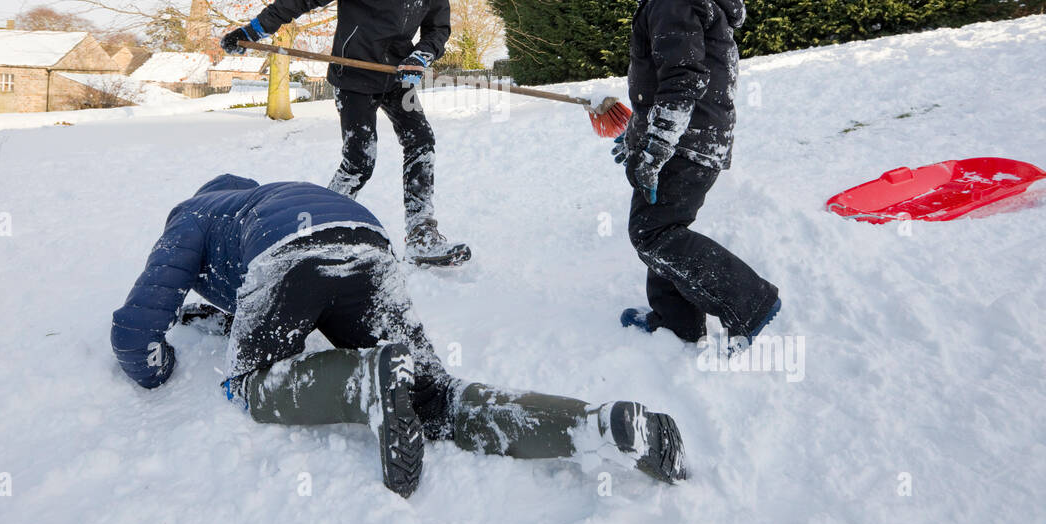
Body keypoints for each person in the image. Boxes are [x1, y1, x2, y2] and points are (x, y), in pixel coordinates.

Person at [110, 174, 686, 497]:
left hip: (288, 256)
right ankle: (600, 425)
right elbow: (283, 302)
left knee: (251, 386)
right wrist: (225, 318)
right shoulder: (262, 200)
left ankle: (368, 382)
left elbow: (135, 329)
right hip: (369, 243)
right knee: (439, 398)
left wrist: (157, 366)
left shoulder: (190, 215)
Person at [220, 0, 470, 267]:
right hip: (355, 76)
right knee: (360, 160)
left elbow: (439, 27)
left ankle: (421, 236)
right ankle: (317, 231)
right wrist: (254, 30)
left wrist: (423, 55)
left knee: (421, 141)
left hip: (399, 77)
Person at [612, 0, 782, 353]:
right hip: (695, 140)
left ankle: (750, 301)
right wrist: (639, 132)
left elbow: (683, 80)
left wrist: (655, 145)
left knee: (654, 233)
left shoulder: (675, 0)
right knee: (661, 226)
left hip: (684, 144)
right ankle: (676, 322)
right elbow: (675, 80)